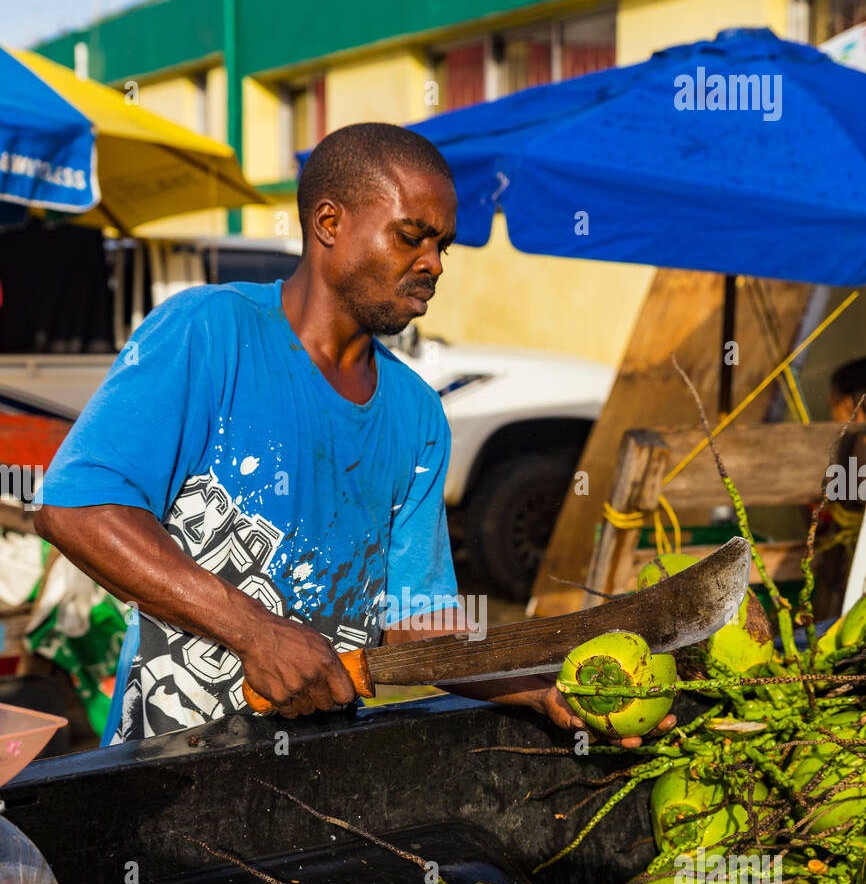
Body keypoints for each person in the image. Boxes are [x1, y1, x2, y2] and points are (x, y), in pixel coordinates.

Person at [36, 122, 672, 748]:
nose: (433, 264)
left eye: (442, 246)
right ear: (329, 224)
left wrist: (537, 685)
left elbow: (414, 621)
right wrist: (256, 632)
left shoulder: (418, 413)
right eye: (411, 237)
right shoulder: (208, 333)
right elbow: (78, 507)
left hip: (327, 773)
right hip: (166, 768)